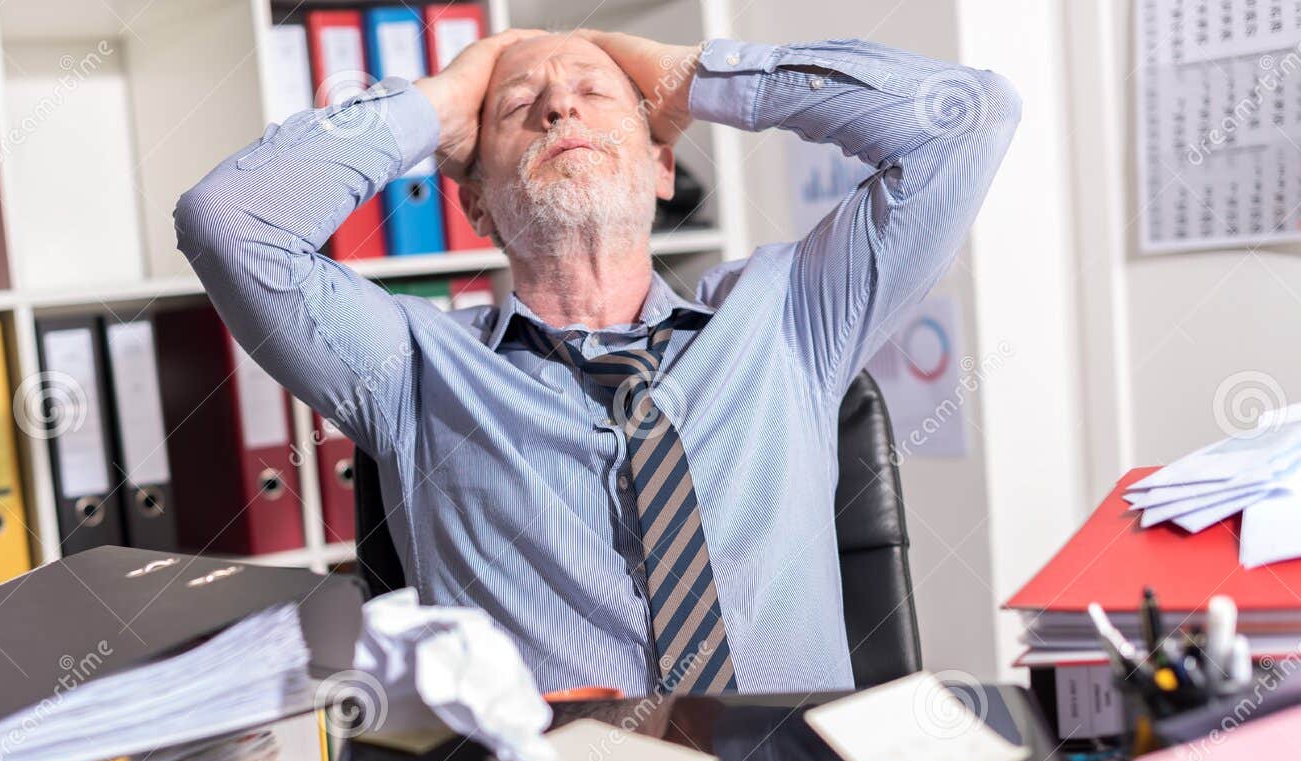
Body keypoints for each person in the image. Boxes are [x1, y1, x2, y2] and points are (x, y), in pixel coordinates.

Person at [174, 29, 1020, 695]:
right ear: (474, 204)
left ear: (660, 166)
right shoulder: (410, 366)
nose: (559, 112)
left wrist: (691, 77)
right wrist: (444, 97)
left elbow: (970, 116)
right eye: (518, 109)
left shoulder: (792, 313)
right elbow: (229, 221)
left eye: (594, 95)